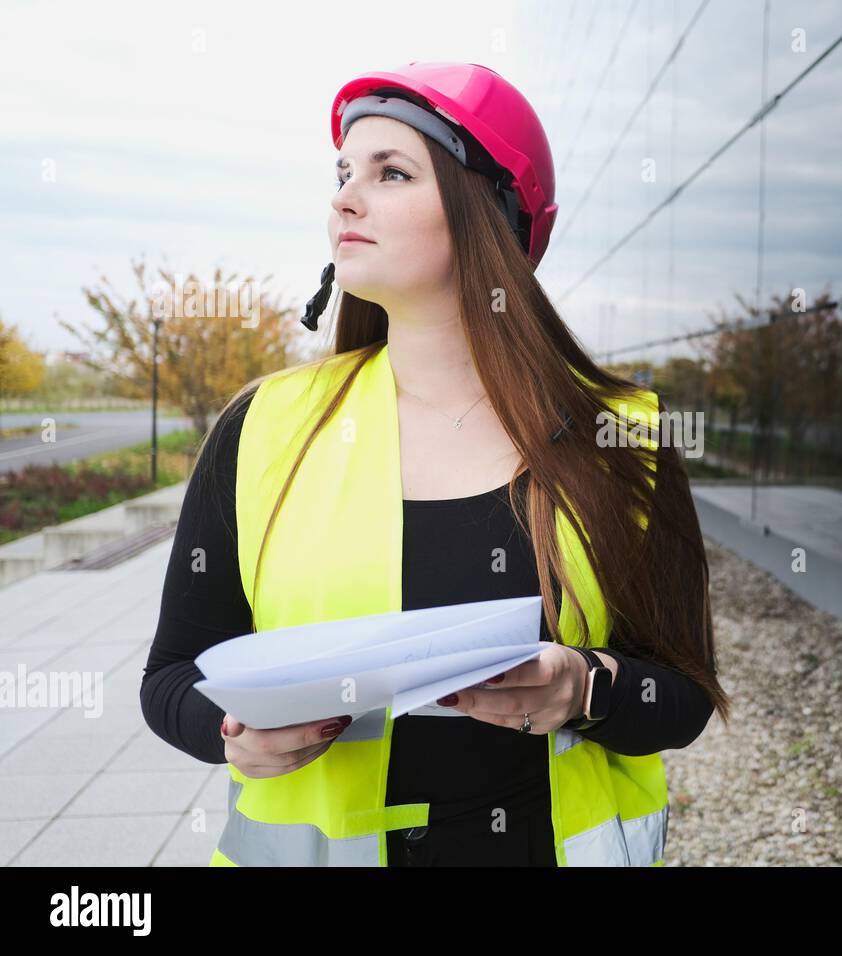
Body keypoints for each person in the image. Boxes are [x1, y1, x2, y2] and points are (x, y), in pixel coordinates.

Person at [139, 61, 730, 867]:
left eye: (391, 173)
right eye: (344, 173)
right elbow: (171, 677)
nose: (345, 197)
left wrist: (585, 688)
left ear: (487, 215)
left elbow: (684, 696)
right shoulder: (263, 428)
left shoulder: (620, 439)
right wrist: (230, 735)